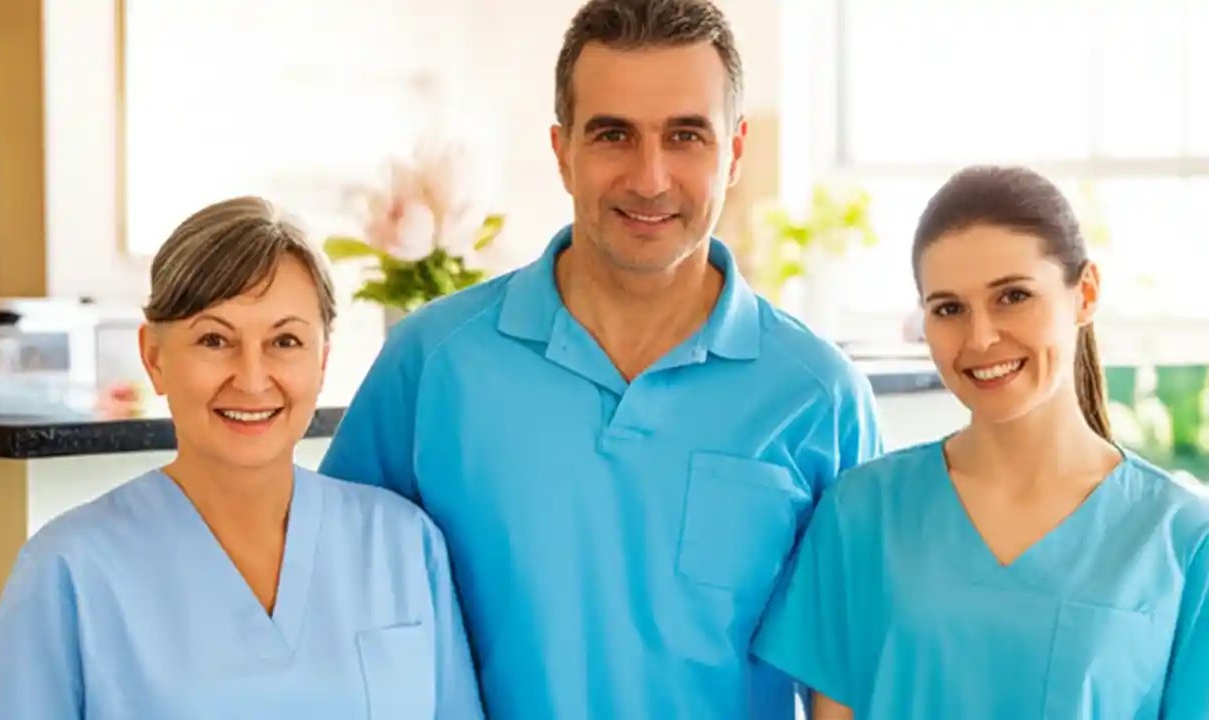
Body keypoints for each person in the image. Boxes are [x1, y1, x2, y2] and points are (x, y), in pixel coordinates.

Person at [317, 0, 882, 717]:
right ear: (562, 151)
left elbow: (856, 678)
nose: (649, 178)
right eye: (614, 135)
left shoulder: (819, 396)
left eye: (685, 136)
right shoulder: (431, 363)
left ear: (734, 152)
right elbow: (337, 606)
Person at [0, 197, 483, 719]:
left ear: (322, 360)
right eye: (214, 339)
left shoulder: (404, 545)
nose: (252, 379)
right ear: (154, 358)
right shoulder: (72, 567)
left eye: (285, 340)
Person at [751, 165, 1209, 719]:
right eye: (949, 309)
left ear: (1084, 294)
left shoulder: (1181, 539)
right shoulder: (862, 513)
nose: (981, 338)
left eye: (1013, 296)